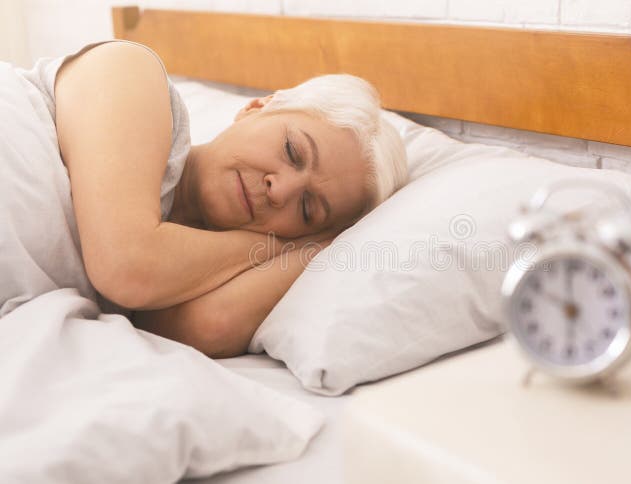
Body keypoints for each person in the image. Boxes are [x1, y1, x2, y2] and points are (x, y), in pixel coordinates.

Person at [1, 40, 408, 357]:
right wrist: (274, 243)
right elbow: (129, 267)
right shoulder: (129, 73)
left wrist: (318, 248)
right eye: (292, 151)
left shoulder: (183, 275)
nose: (280, 189)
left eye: (307, 208)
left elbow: (212, 325)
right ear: (256, 107)